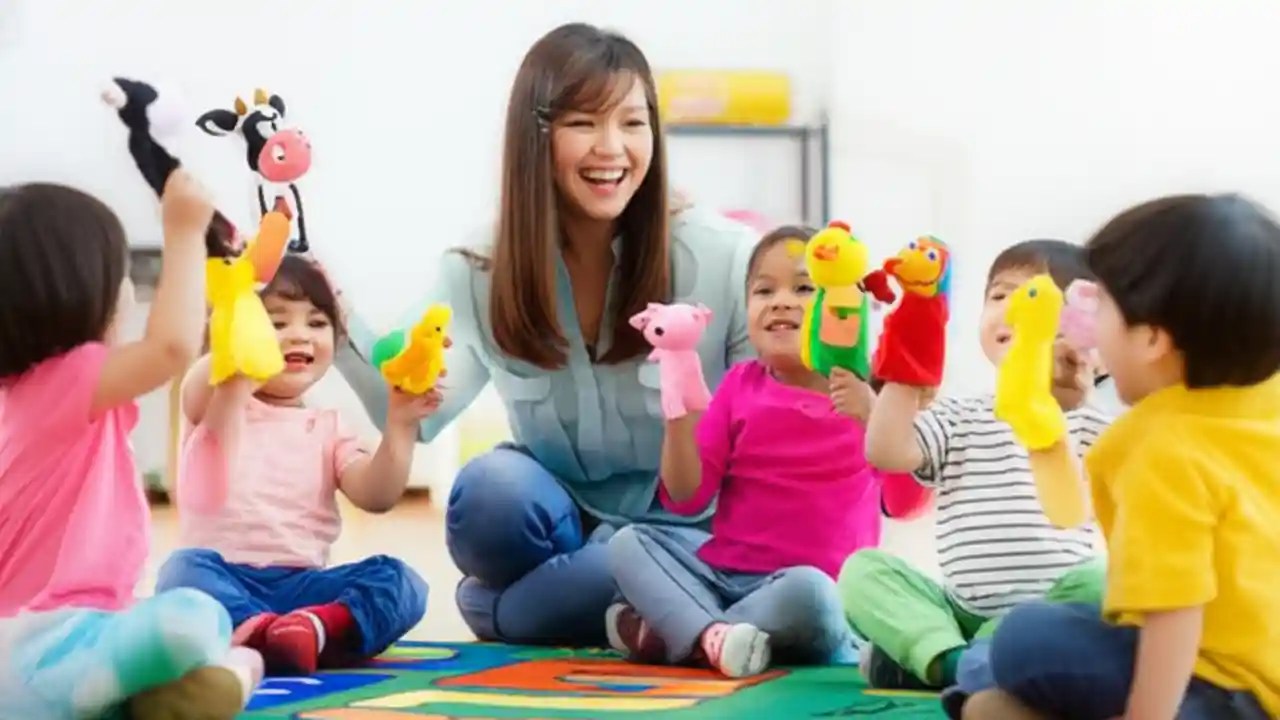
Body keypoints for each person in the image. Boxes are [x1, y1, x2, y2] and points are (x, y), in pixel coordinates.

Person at [332, 22, 758, 646]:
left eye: (633, 124)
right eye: (584, 122)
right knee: (487, 501)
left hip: (692, 528)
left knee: (568, 592)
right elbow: (418, 414)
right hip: (563, 515)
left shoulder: (723, 257)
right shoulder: (480, 265)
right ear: (536, 136)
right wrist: (336, 321)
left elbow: (776, 424)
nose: (611, 148)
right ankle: (612, 606)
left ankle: (507, 612)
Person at [966, 194, 1280, 720]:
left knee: (1025, 636)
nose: (1085, 325)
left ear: (1153, 338)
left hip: (1215, 690)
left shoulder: (1159, 447)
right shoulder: (1263, 406)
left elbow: (1175, 612)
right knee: (1022, 662)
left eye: (1100, 306)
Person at [0, 177, 262, 719]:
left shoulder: (16, 397)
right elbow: (171, 348)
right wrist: (184, 233)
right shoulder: (67, 381)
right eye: (121, 279)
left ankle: (129, 700)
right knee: (195, 617)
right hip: (54, 640)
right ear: (78, 294)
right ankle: (234, 673)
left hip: (34, 655)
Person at [605, 226, 910, 677]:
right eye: (763, 290)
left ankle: (687, 630)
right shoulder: (740, 384)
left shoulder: (874, 393)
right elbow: (686, 496)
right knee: (630, 542)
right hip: (724, 577)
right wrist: (677, 410)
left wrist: (877, 415)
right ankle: (716, 637)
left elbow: (907, 502)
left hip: (804, 594)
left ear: (844, 303)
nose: (781, 300)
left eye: (804, 288)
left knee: (814, 594)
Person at [838, 240, 1112, 699]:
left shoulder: (1086, 420)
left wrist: (1085, 385)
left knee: (1104, 582)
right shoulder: (961, 415)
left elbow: (1128, 485)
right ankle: (954, 660)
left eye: (1032, 297)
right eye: (998, 295)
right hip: (963, 609)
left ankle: (925, 657)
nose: (1007, 309)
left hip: (1050, 608)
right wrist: (908, 365)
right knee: (863, 572)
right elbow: (887, 451)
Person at [155, 255, 431, 677]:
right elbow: (212, 372)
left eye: (316, 323)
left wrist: (400, 426)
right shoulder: (218, 395)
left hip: (305, 590)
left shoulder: (330, 425)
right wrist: (237, 328)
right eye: (276, 323)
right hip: (223, 576)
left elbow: (376, 495)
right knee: (180, 573)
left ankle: (311, 629)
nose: (298, 335)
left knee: (402, 581)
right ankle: (264, 632)